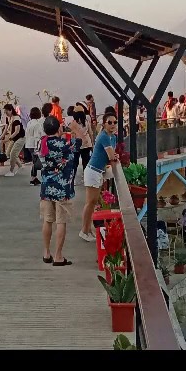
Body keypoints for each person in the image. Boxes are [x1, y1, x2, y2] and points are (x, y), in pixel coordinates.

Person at [38, 115, 78, 267]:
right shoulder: (65, 144)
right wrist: (72, 129)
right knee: (61, 221)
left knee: (48, 220)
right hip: (62, 188)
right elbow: (80, 142)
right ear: (58, 128)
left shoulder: (41, 143)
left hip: (46, 187)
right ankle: (58, 256)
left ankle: (46, 252)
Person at [79, 114, 121, 243]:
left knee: (93, 202)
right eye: (110, 122)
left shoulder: (113, 137)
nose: (113, 124)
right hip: (93, 171)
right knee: (90, 202)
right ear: (104, 124)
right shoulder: (104, 136)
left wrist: (114, 156)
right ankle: (84, 231)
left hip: (98, 172)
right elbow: (111, 155)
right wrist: (114, 156)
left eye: (115, 122)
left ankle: (88, 229)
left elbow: (113, 155)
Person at [24, 107, 45, 186]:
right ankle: (33, 178)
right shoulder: (37, 124)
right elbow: (38, 136)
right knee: (37, 161)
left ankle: (34, 177)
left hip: (29, 144)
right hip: (35, 144)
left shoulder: (29, 123)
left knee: (34, 161)